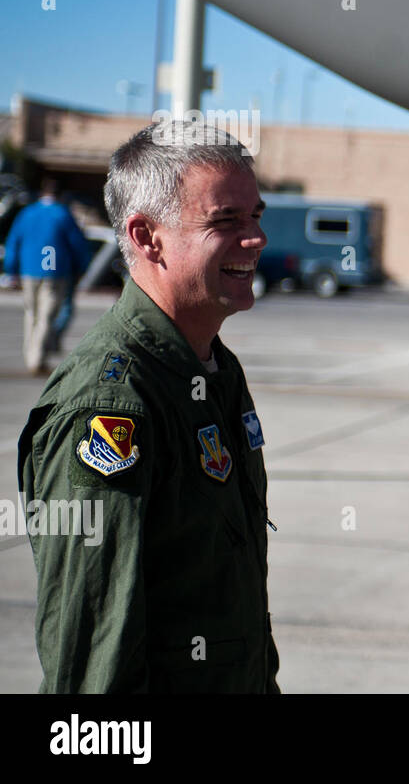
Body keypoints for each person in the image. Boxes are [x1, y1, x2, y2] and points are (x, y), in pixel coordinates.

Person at [17, 120, 280, 693]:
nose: (256, 238)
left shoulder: (212, 368)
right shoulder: (110, 407)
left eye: (256, 216)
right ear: (146, 236)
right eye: (226, 221)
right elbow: (92, 659)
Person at [3, 177, 90, 374]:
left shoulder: (27, 213)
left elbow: (14, 241)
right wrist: (80, 268)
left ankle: (30, 354)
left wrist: (11, 270)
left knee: (31, 313)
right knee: (46, 316)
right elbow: (77, 245)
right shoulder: (63, 214)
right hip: (55, 271)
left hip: (29, 270)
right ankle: (37, 358)